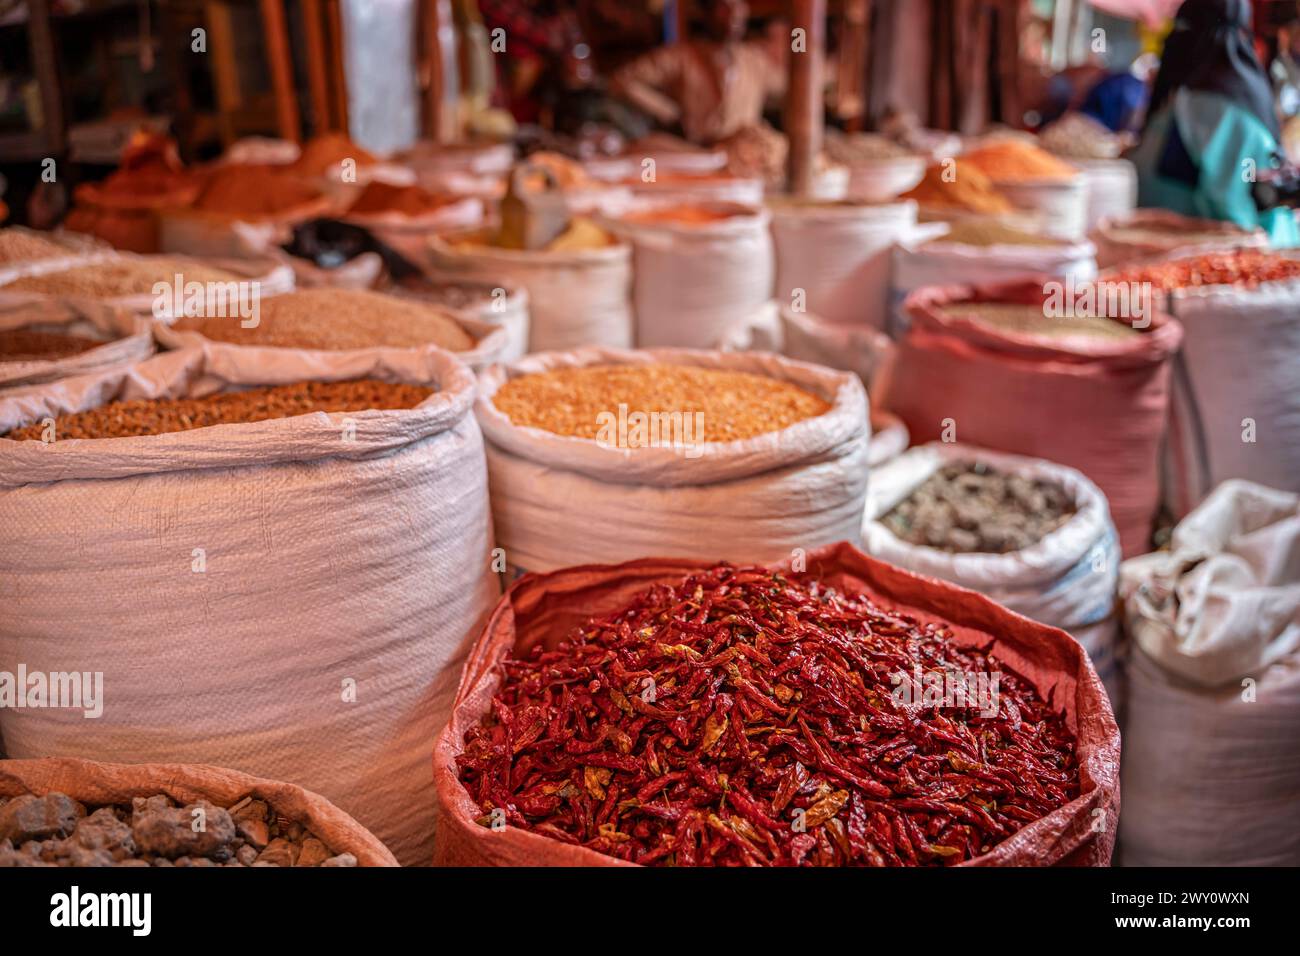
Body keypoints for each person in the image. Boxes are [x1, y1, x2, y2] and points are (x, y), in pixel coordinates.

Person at [1131, 0, 1298, 245]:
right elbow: (1242, 221)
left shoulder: (1185, 99)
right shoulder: (1221, 107)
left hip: (1161, 244)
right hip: (1195, 256)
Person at [608, 0, 784, 147]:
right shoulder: (680, 57)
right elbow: (622, 81)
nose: (733, 13)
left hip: (743, 158)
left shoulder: (755, 60)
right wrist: (668, 113)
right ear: (706, 13)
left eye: (738, 5)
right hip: (693, 154)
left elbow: (790, 90)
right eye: (723, 7)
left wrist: (796, 43)